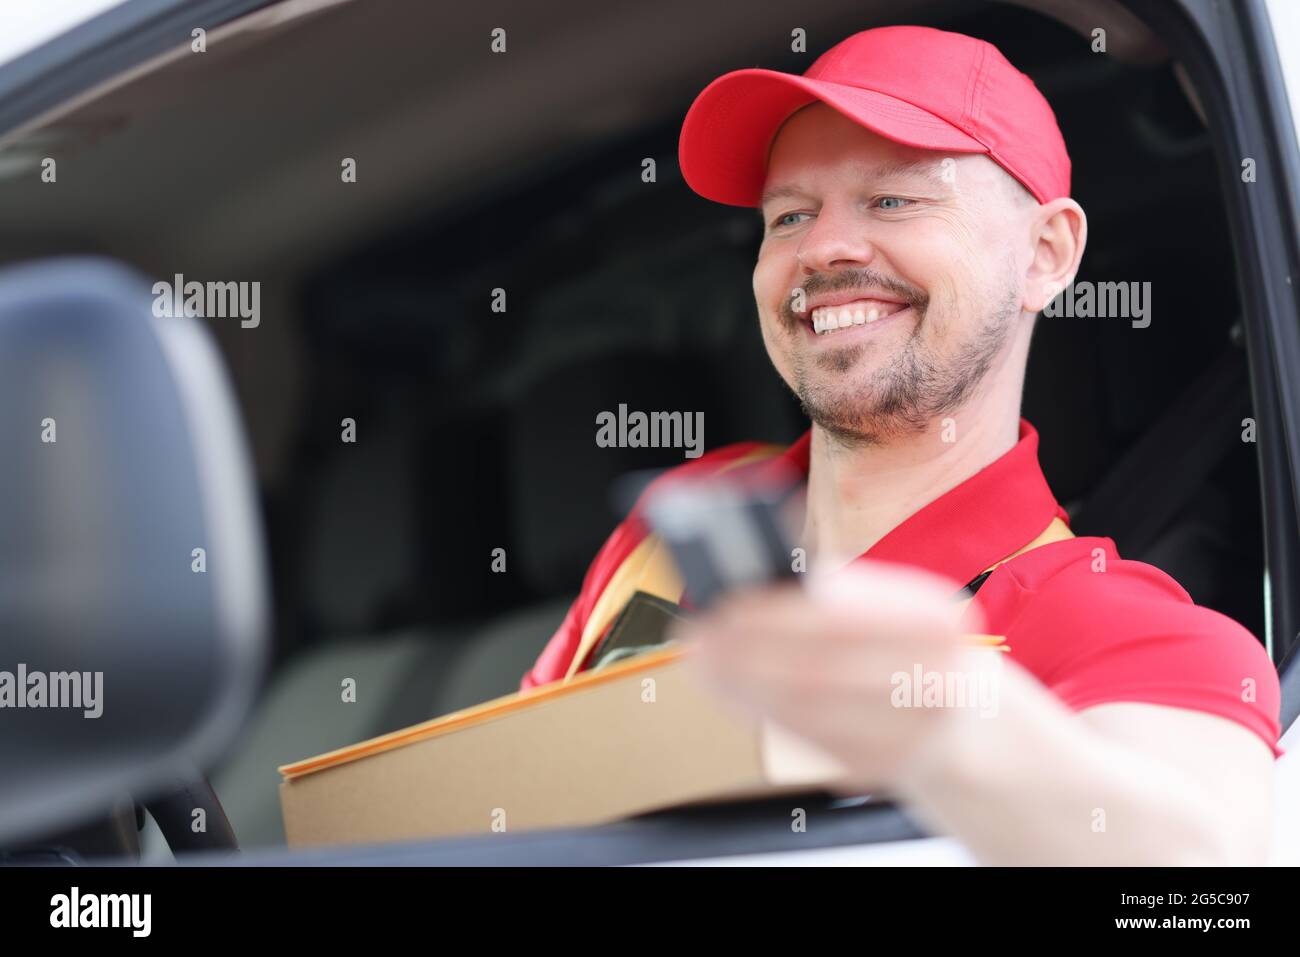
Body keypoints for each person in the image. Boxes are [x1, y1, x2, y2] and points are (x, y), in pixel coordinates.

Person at [521, 25, 1281, 865]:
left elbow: (1211, 874)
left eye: (893, 199)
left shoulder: (1113, 624)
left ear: (1047, 252)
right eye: (790, 215)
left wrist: (951, 724)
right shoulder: (689, 516)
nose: (821, 248)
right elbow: (509, 797)